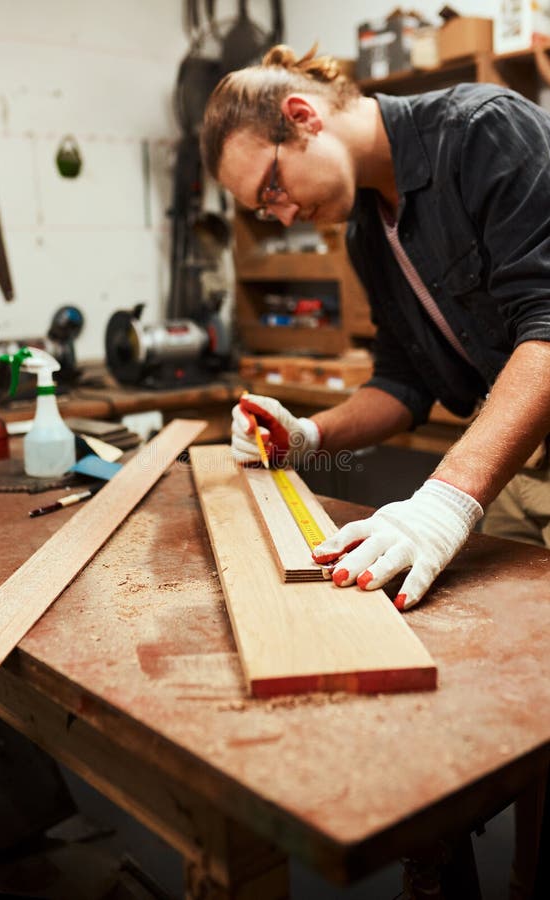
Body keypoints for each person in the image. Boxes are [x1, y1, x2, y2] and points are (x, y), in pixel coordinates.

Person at [200, 43, 550, 615]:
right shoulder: (367, 230)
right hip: (525, 459)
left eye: (273, 187)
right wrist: (307, 436)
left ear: (302, 116)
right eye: (266, 212)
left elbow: (548, 322)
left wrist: (445, 502)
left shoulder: (483, 132)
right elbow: (404, 382)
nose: (283, 214)